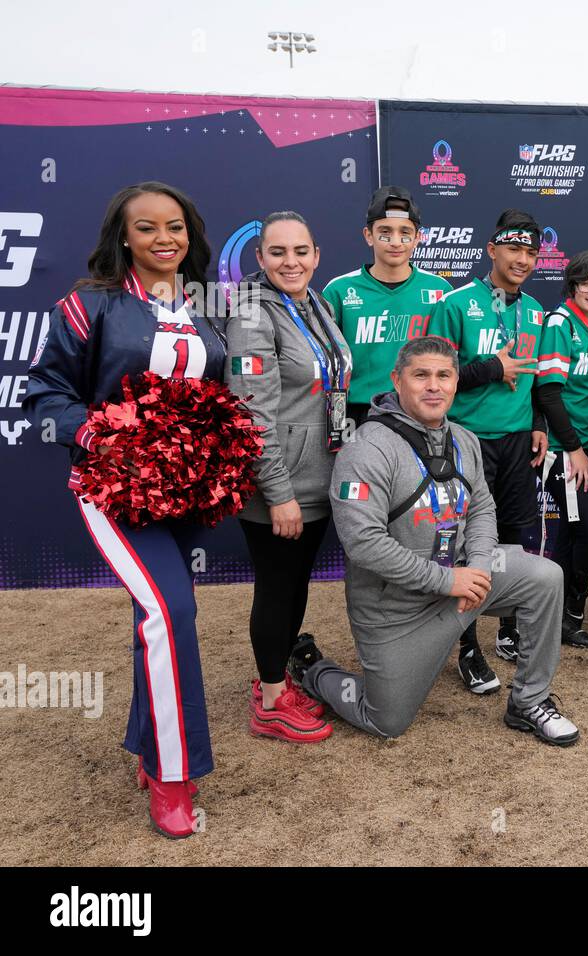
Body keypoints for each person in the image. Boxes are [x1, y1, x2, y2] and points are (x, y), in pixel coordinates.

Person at [24, 182, 226, 838]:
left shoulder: (206, 306)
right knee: (170, 612)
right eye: (147, 228)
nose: (164, 238)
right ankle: (172, 776)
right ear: (123, 237)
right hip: (112, 486)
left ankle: (148, 744)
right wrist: (98, 434)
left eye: (175, 226)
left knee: (159, 618)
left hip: (184, 490)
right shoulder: (91, 304)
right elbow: (45, 390)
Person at [291, 336, 580, 746]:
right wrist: (448, 581)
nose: (434, 386)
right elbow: (364, 543)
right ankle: (313, 669)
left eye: (444, 375)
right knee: (386, 720)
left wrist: (478, 567)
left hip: (460, 583)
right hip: (397, 609)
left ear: (456, 383)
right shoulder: (367, 447)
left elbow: (482, 509)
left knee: (545, 577)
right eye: (421, 375)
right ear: (397, 380)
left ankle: (528, 702)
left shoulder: (464, 438)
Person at [227, 211, 352, 744]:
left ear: (316, 255)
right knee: (278, 588)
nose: (290, 261)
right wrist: (278, 494)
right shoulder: (253, 312)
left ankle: (275, 678)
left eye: (300, 251)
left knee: (295, 584)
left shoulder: (314, 303)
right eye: (277, 252)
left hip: (318, 479)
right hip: (280, 488)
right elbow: (251, 415)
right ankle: (272, 703)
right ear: (259, 258)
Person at [427, 209, 548, 694]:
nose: (523, 260)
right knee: (464, 543)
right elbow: (435, 374)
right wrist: (491, 369)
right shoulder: (456, 303)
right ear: (492, 250)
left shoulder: (536, 310)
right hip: (467, 439)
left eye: (531, 252)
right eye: (513, 249)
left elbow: (536, 376)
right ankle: (467, 646)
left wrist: (538, 423)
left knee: (513, 538)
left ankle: (508, 628)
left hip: (518, 440)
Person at [535, 251, 588, 648]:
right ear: (572, 286)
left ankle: (557, 616)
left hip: (587, 443)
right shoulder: (560, 323)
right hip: (563, 449)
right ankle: (570, 612)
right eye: (587, 283)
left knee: (571, 536)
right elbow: (548, 393)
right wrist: (574, 450)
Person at [321, 186, 451, 426]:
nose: (395, 241)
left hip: (418, 410)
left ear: (418, 237)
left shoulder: (440, 290)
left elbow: (448, 361)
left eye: (405, 232)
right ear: (368, 235)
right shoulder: (338, 290)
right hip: (358, 412)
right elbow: (327, 365)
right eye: (385, 232)